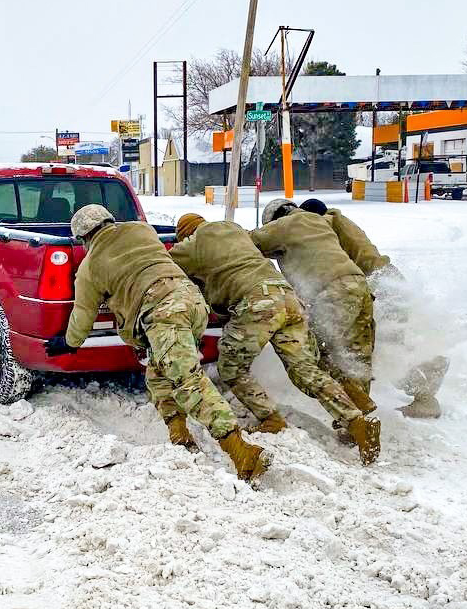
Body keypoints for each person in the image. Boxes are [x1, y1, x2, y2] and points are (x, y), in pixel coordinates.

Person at [45, 205, 268, 481]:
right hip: (193, 302)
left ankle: (242, 452)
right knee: (159, 374)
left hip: (164, 314)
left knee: (188, 382)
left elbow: (83, 313)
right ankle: (179, 435)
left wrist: (69, 342)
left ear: (83, 238)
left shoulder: (90, 266)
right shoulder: (142, 230)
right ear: (109, 221)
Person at [171, 214, 380, 466]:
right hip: (289, 299)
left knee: (231, 367)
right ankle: (357, 422)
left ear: (185, 234)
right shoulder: (236, 231)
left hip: (258, 303)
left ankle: (270, 418)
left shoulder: (193, 243)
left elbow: (163, 264)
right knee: (305, 369)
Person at [299, 198, 449, 418]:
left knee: (383, 351)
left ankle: (426, 391)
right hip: (388, 278)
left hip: (377, 284)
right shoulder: (338, 220)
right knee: (388, 345)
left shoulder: (324, 225)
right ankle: (429, 368)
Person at [252, 200, 378, 420]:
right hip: (360, 286)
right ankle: (361, 413)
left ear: (273, 220)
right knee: (357, 356)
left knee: (316, 351)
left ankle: (351, 410)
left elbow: (246, 242)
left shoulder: (284, 226)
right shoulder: (318, 221)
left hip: (331, 291)